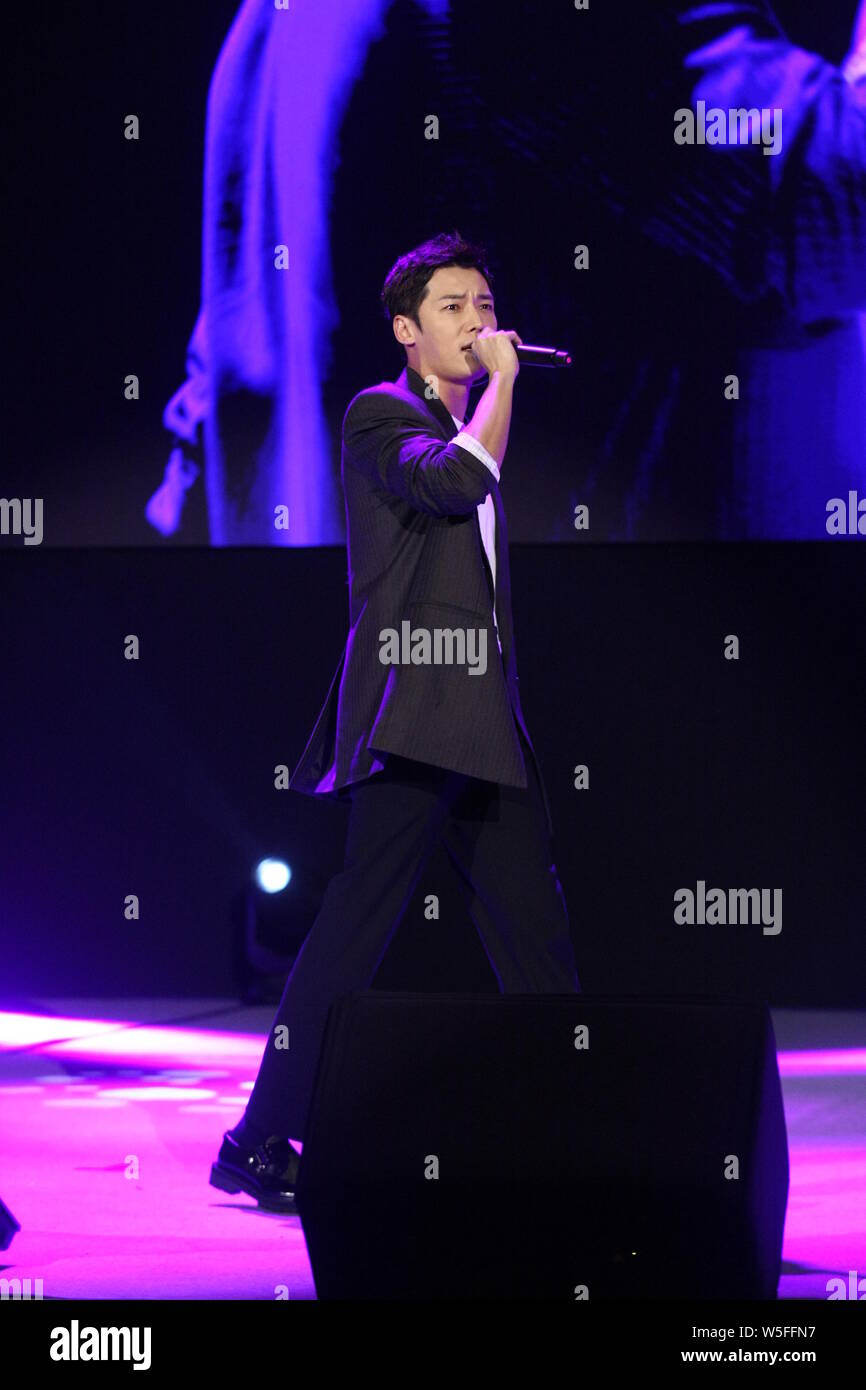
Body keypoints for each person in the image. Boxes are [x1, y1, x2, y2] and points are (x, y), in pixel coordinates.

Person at [209, 231, 581, 1212]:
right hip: (413, 711)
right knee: (354, 925)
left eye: (485, 302)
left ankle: (588, 1120)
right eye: (454, 307)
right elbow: (452, 483)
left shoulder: (470, 423)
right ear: (407, 334)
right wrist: (501, 389)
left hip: (480, 722)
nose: (479, 321)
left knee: (533, 930)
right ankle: (255, 1137)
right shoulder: (379, 414)